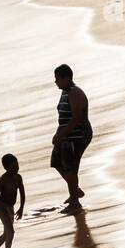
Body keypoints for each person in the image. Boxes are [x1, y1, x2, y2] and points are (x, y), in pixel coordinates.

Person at [50, 64, 92, 215]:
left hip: (78, 135)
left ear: (66, 78)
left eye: (57, 79)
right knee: (56, 162)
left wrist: (62, 135)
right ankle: (76, 191)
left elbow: (77, 118)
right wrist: (58, 135)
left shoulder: (75, 93)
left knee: (70, 168)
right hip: (66, 135)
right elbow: (63, 118)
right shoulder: (65, 92)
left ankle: (75, 202)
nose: (55, 82)